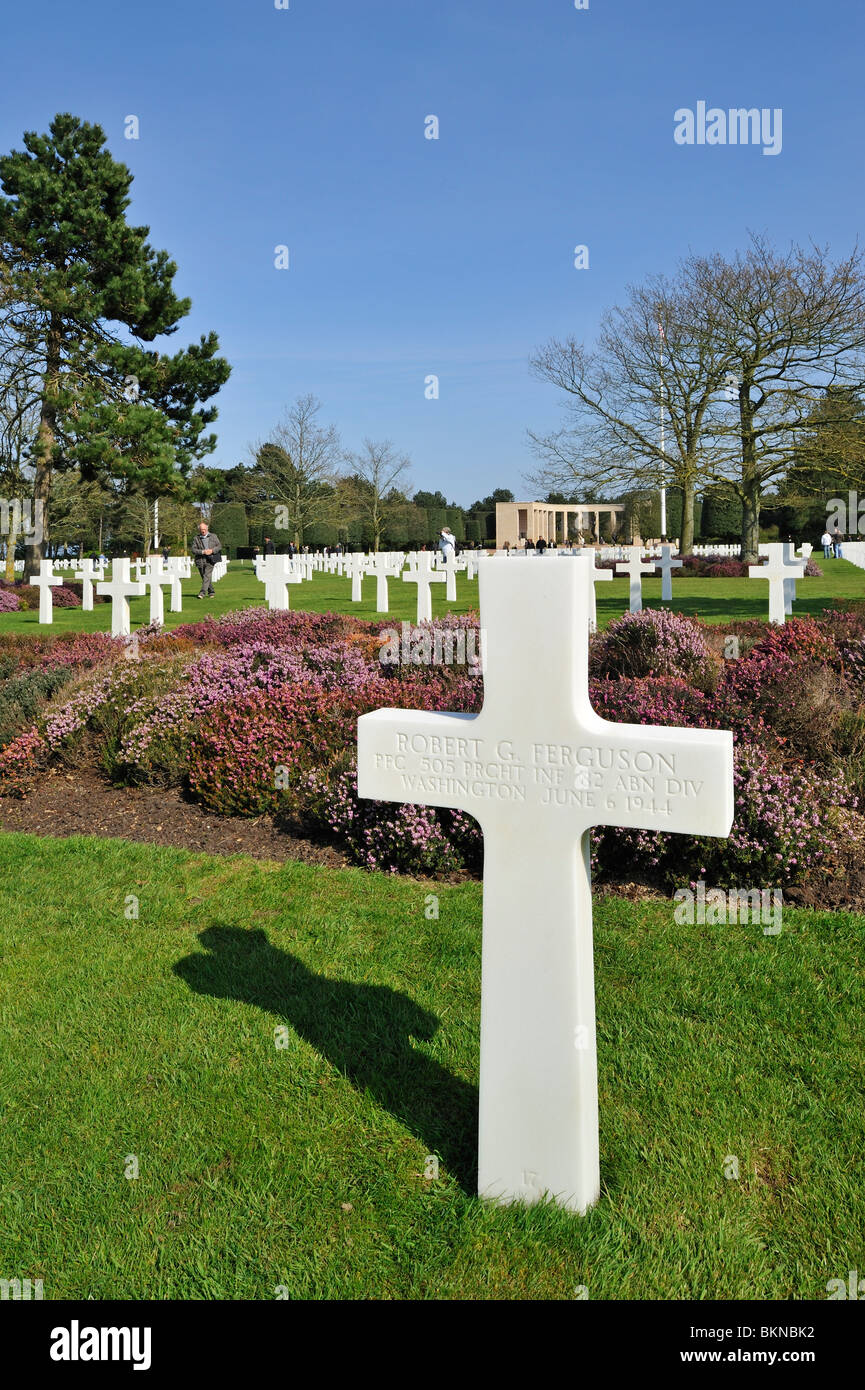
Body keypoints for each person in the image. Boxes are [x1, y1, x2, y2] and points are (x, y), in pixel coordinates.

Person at [192, 520, 222, 598]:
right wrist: (203, 552)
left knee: (206, 576)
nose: (203, 531)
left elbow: (219, 546)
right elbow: (193, 550)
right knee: (205, 577)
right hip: (200, 561)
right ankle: (211, 592)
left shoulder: (213, 536)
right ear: (199, 530)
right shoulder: (196, 538)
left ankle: (202, 593)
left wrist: (212, 550)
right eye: (202, 530)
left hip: (211, 560)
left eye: (204, 529)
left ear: (207, 528)